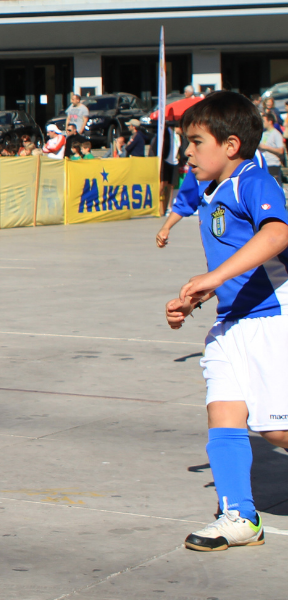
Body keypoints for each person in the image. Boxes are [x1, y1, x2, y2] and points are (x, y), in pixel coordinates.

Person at [161, 90, 288, 552]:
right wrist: (198, 297)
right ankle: (240, 516)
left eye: (195, 142)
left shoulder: (253, 180)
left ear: (230, 145)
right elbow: (239, 262)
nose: (187, 152)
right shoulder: (211, 192)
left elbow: (278, 233)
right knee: (225, 416)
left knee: (274, 427)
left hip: (271, 316)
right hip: (232, 321)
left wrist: (211, 276)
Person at [259, 112, 285, 181]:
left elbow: (281, 150)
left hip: (273, 164)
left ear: (270, 122)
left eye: (264, 121)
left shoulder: (276, 134)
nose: (263, 123)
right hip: (263, 163)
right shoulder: (263, 134)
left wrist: (266, 148)